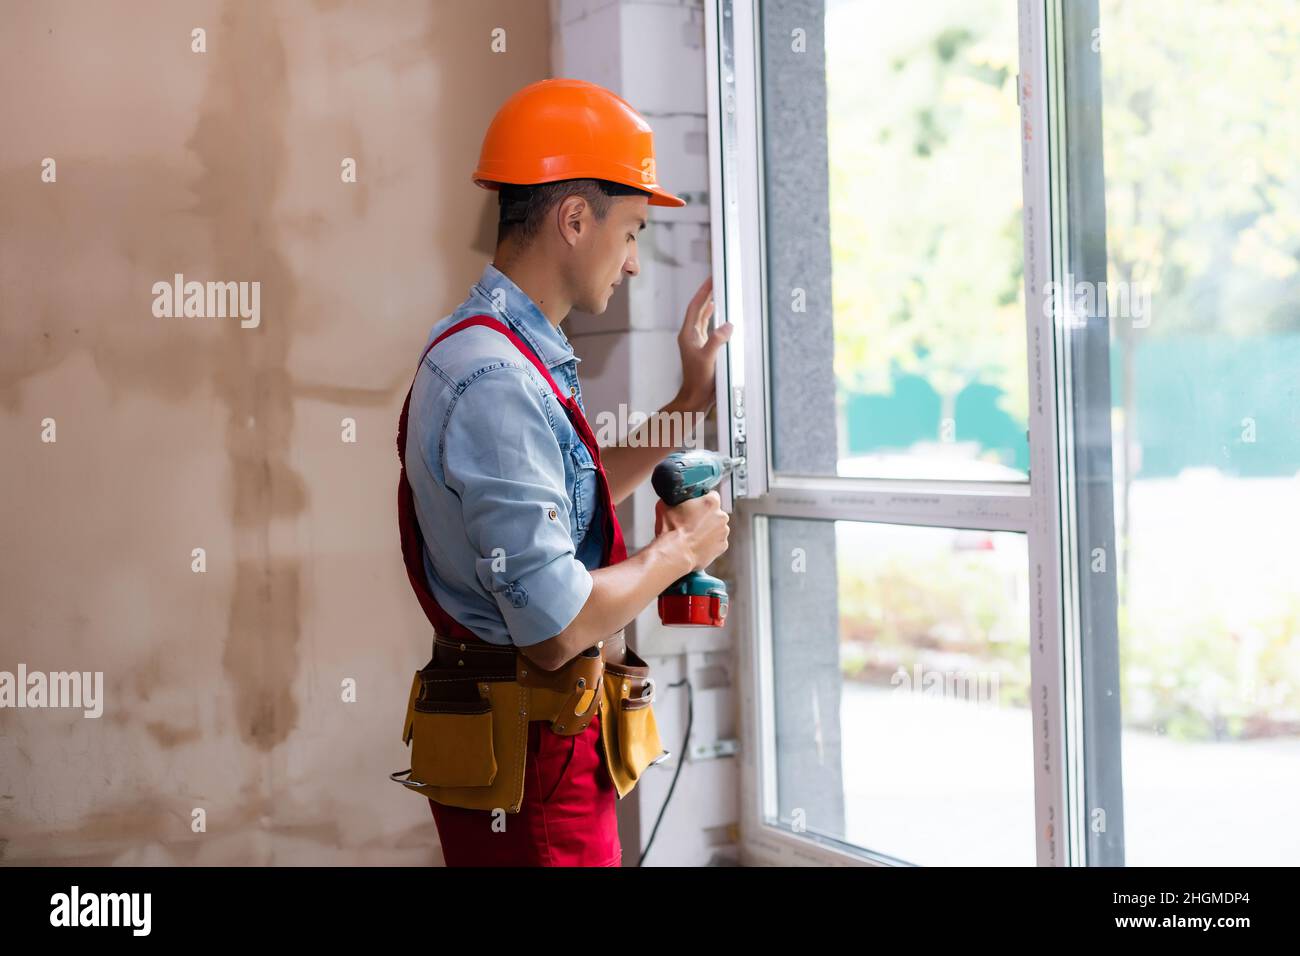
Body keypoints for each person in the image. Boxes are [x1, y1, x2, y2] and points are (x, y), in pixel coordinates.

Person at [396, 78, 732, 866]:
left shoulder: (486, 347)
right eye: (632, 233)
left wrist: (688, 401)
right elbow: (556, 627)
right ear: (574, 220)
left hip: (535, 754)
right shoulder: (498, 380)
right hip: (535, 767)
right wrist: (681, 552)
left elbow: (568, 493)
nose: (636, 263)